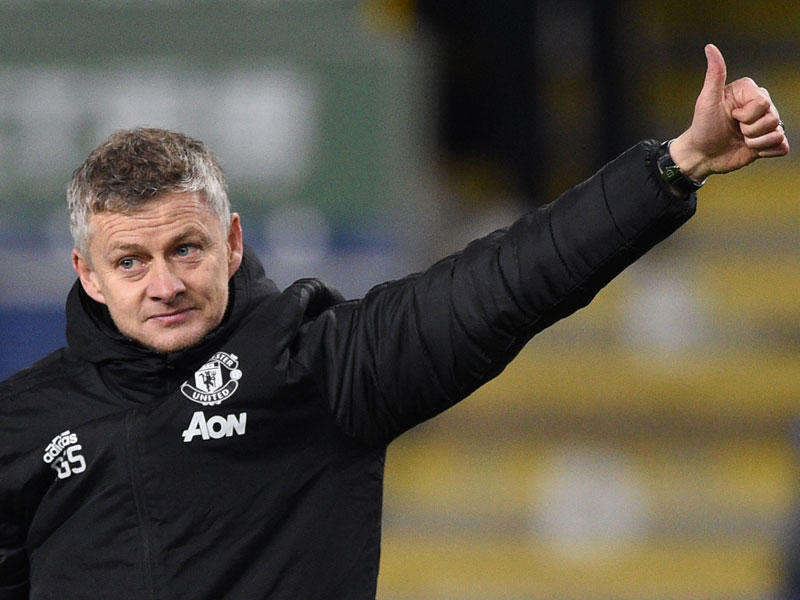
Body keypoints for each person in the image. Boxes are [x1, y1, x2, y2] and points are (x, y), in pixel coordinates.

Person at [0, 44, 788, 599]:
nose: (165, 284)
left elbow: (504, 282)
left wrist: (675, 164)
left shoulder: (316, 367)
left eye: (186, 249)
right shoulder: (22, 424)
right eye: (131, 262)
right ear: (88, 274)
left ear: (232, 243)